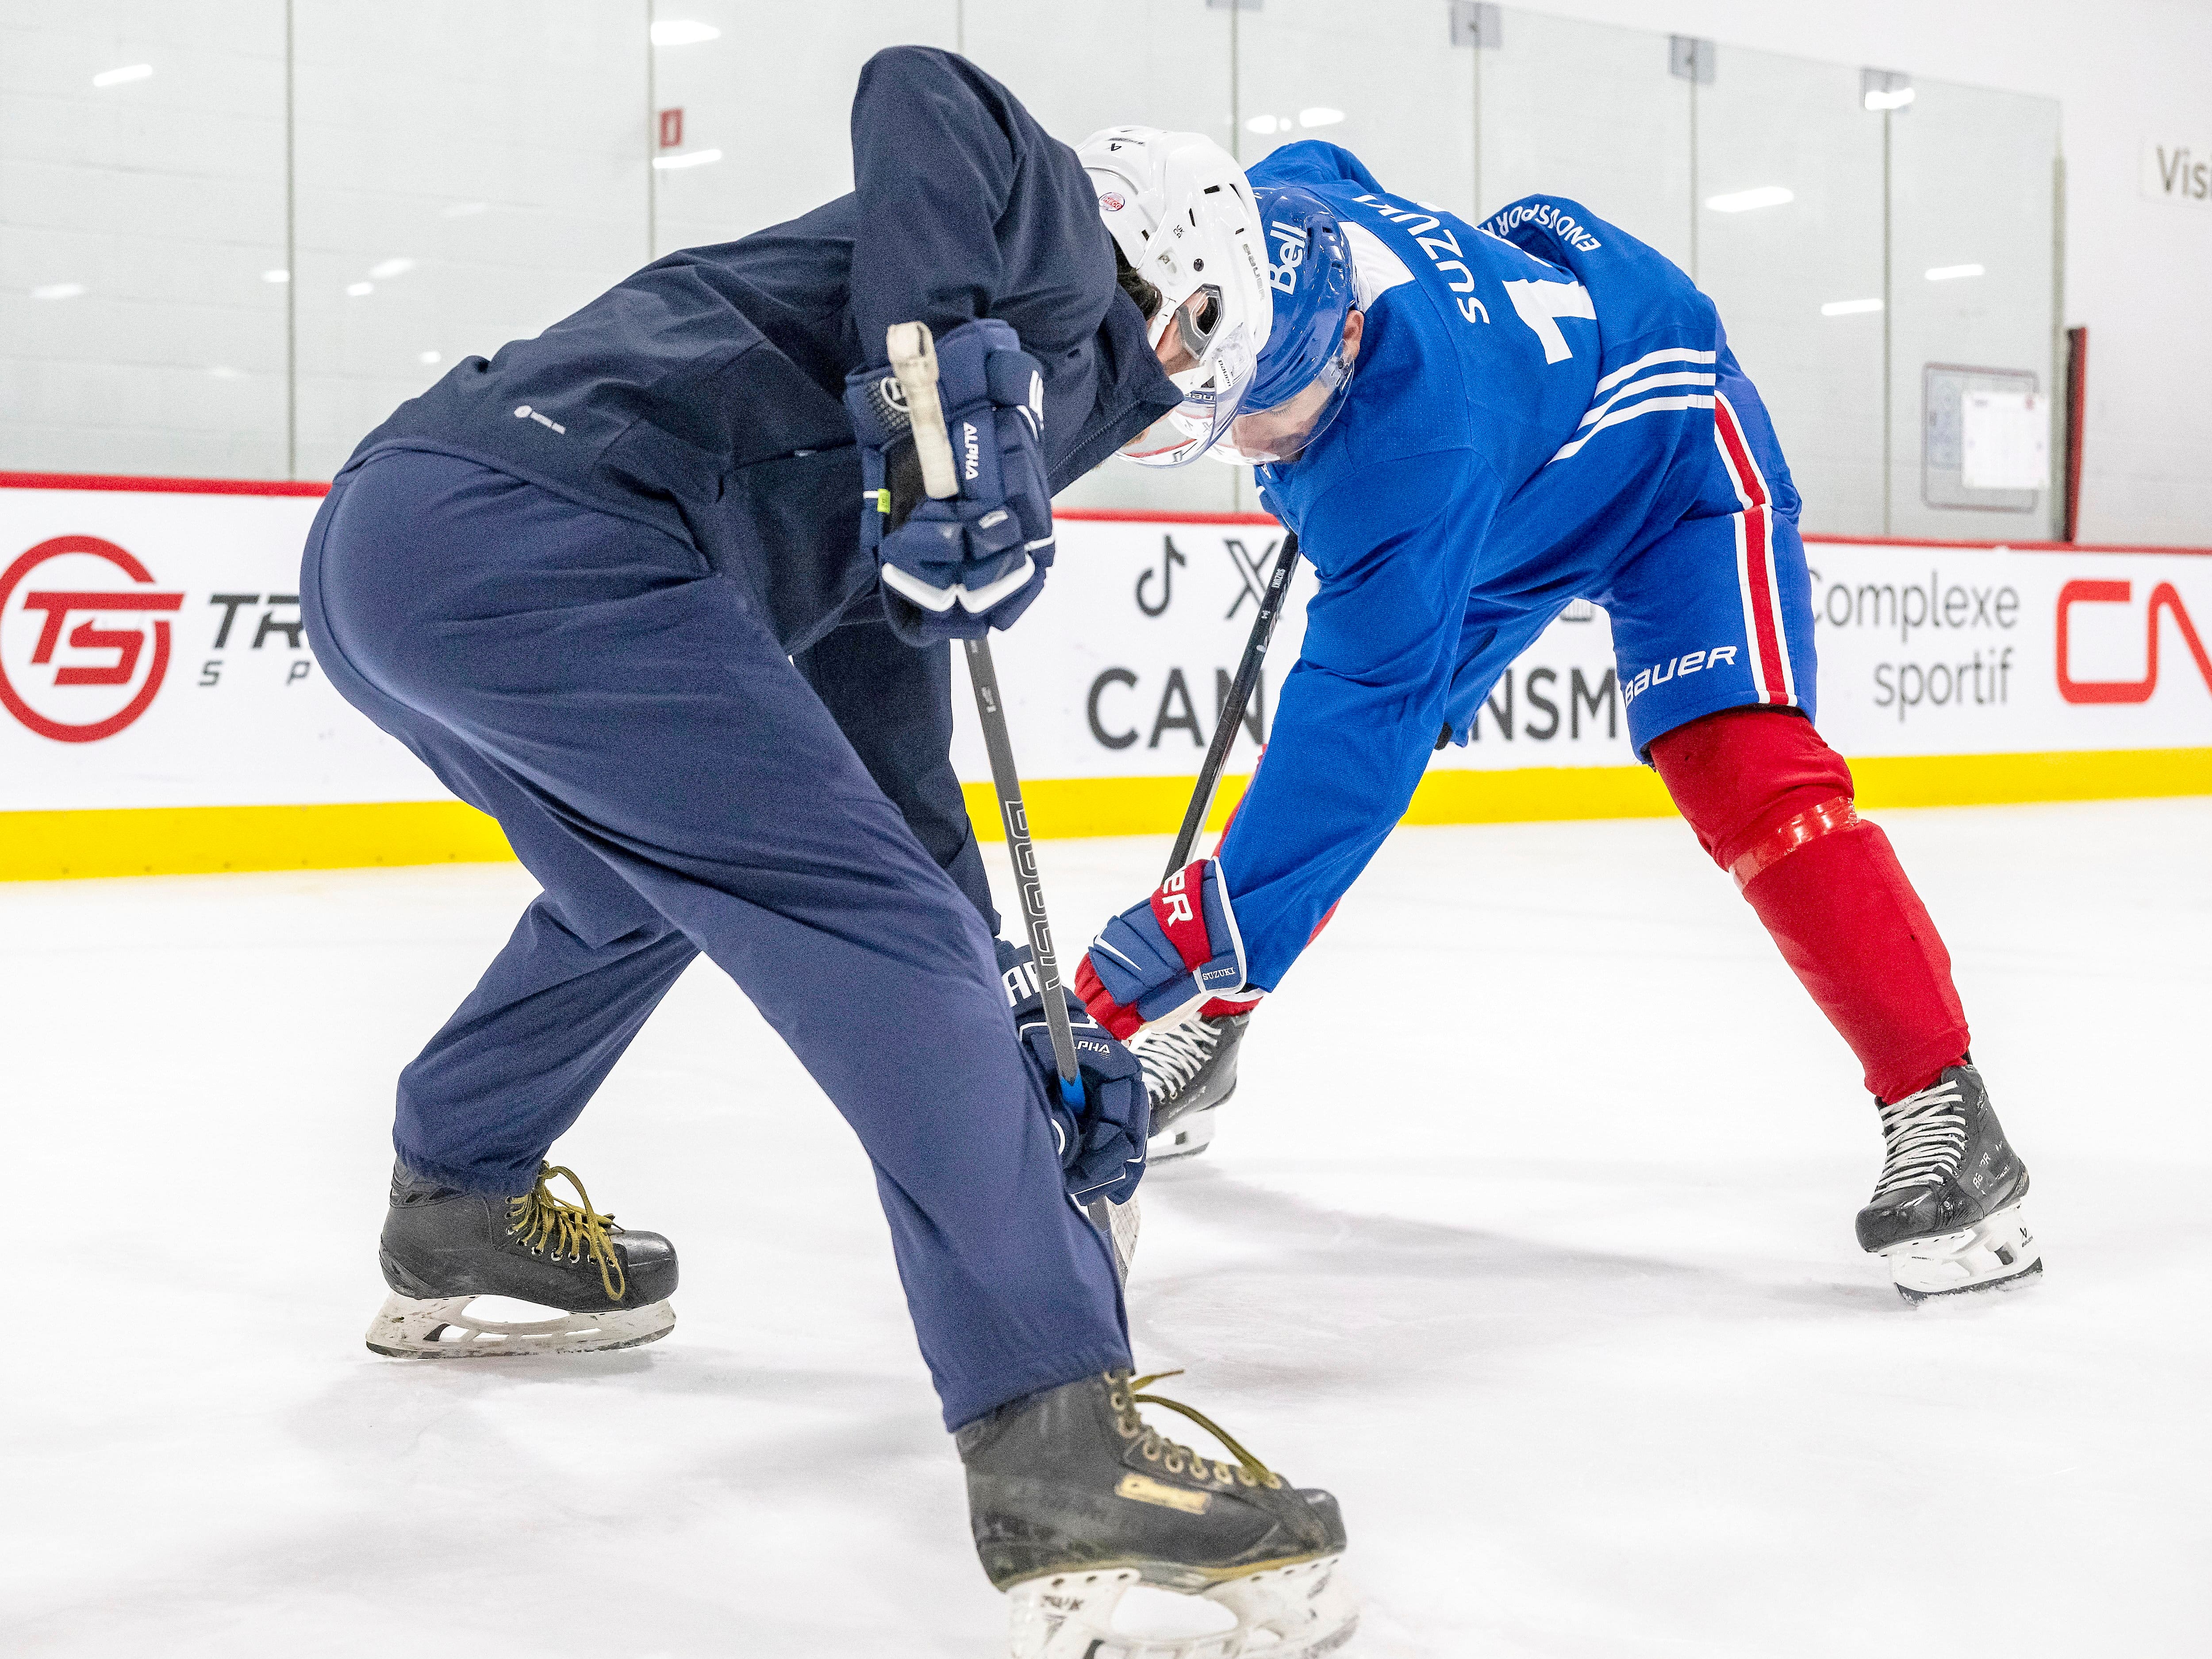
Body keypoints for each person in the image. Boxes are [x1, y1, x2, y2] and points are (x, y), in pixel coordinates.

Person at [300, 49, 1352, 1650]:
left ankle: (462, 1191)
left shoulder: (913, 430)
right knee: (880, 948)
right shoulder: (1059, 264)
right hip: (555, 537)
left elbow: (893, 763)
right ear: (1188, 299)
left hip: (395, 541)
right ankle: (1062, 1445)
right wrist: (949, 407)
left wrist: (1018, 1013)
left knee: (637, 893)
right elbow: (926, 90)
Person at [1075, 139, 2041, 1306]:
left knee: (1742, 769)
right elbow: (1330, 161)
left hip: (1666, 450)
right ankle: (1220, 1018)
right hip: (1509, 485)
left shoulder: (1409, 454)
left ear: (1342, 345)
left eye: (1264, 417)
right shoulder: (1271, 219)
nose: (1247, 446)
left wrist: (1151, 960)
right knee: (1346, 756)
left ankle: (1946, 1108)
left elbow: (1352, 746)